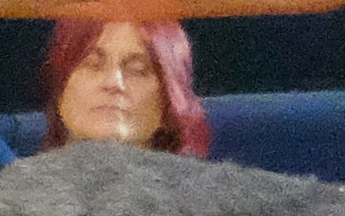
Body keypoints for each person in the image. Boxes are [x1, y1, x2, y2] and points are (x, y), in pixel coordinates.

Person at [39, 11, 216, 157]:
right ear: (60, 90)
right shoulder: (15, 192)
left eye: (137, 70)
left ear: (169, 103)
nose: (113, 83)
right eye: (92, 64)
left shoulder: (215, 197)